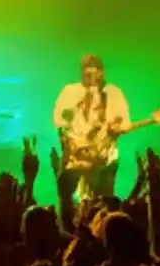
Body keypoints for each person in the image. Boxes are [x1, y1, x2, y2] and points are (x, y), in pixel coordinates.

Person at [52, 55, 129, 197]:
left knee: (103, 199)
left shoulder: (113, 93)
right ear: (82, 73)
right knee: (71, 199)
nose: (92, 79)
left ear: (102, 73)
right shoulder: (70, 92)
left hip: (104, 159)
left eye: (96, 74)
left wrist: (114, 128)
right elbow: (60, 121)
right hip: (76, 160)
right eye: (87, 74)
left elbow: (123, 123)